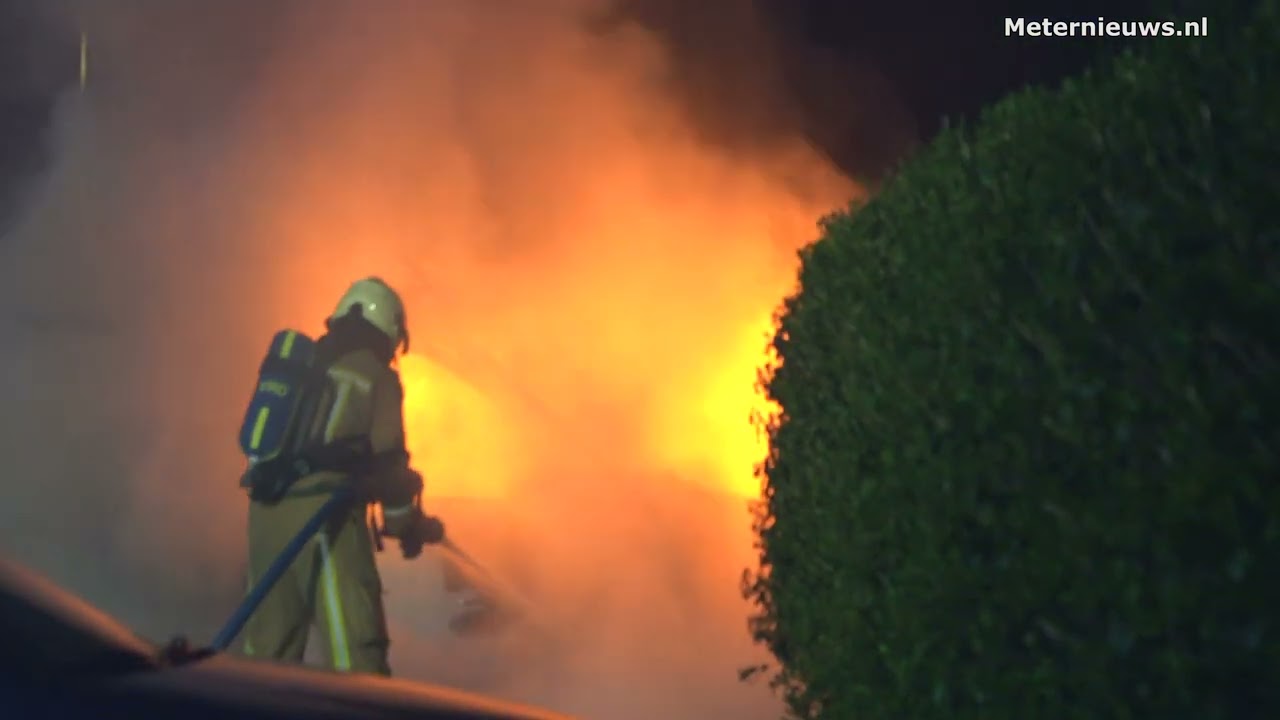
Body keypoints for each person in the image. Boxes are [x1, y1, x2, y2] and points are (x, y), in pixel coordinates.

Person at [240, 276, 444, 675]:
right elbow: (389, 463)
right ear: (389, 327)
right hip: (324, 521)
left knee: (266, 658)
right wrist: (407, 525)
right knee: (356, 653)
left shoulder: (305, 365)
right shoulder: (377, 376)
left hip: (266, 516)